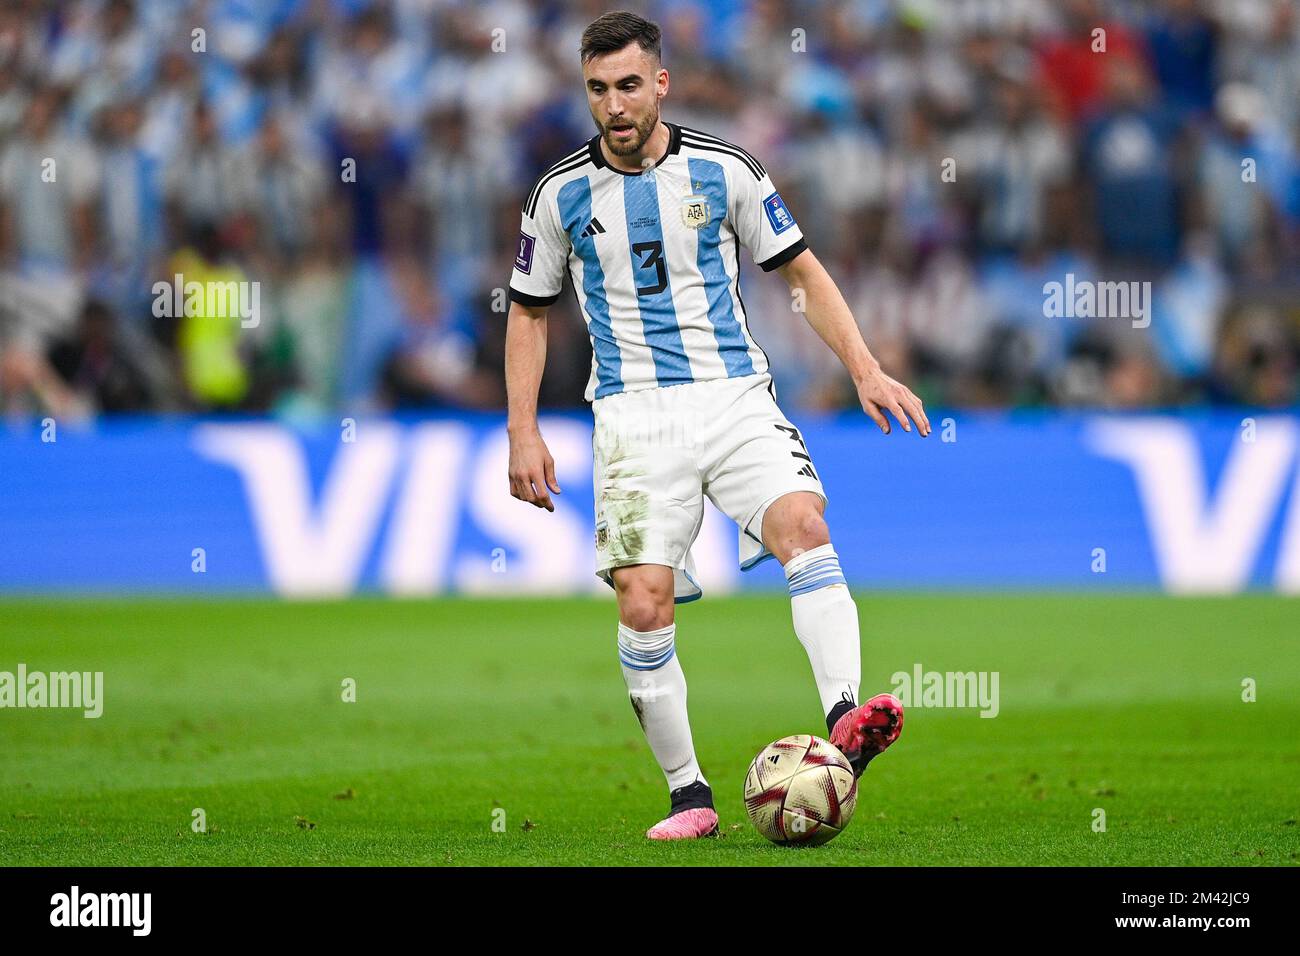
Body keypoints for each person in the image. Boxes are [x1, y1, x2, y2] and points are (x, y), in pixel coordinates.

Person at [504, 12, 929, 840]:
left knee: (803, 523)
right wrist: (522, 428)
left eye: (629, 85)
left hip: (733, 395)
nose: (615, 105)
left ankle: (844, 721)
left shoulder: (725, 170)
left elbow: (799, 272)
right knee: (642, 600)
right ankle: (689, 795)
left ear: (660, 82)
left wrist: (864, 366)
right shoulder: (558, 195)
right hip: (632, 415)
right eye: (598, 89)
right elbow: (528, 314)